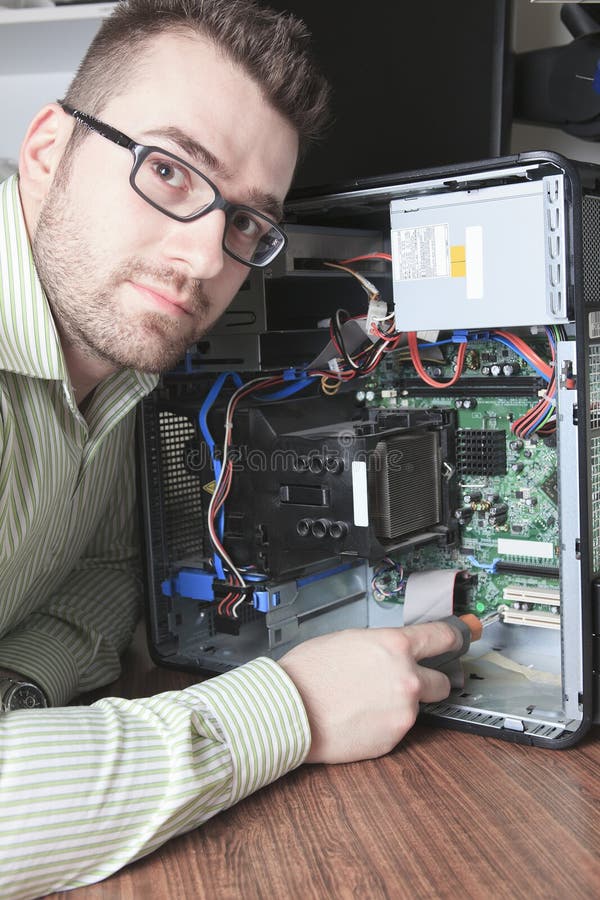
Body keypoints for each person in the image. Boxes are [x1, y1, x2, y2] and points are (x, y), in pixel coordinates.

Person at [0, 0, 461, 896]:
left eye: (249, 222)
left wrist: (20, 685)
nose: (208, 255)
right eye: (170, 171)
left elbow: (102, 570)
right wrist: (291, 708)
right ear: (50, 149)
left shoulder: (125, 382)